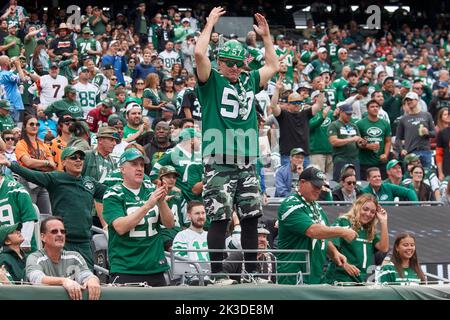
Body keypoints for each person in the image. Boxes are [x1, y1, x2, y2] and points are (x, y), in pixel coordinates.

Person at [194, 7, 279, 284]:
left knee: (252, 217)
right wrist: (209, 24)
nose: (233, 67)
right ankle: (217, 274)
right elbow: (198, 54)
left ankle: (252, 274)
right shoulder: (210, 81)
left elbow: (273, 67)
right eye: (228, 62)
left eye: (237, 63)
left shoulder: (248, 80)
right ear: (219, 62)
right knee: (219, 219)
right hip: (218, 160)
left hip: (246, 162)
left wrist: (266, 38)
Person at [0, 147, 107, 269]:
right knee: (62, 278)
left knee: (87, 278)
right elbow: (31, 175)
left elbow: (110, 193)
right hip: (62, 240)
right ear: (64, 162)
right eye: (73, 157)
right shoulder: (56, 178)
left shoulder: (90, 183)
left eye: (81, 157)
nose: (78, 160)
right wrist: (10, 164)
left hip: (84, 242)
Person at [102, 148, 174, 286]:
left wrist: (161, 202)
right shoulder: (113, 194)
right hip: (126, 268)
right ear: (122, 169)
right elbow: (120, 227)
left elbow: (170, 224)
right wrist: (148, 205)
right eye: (134, 164)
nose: (139, 168)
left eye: (142, 164)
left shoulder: (151, 190)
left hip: (155, 267)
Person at [277, 167, 358, 285]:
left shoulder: (317, 207)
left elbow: (323, 236)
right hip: (294, 277)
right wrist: (343, 231)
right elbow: (313, 231)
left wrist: (334, 253)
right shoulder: (290, 205)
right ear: (302, 183)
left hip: (315, 276)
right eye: (315, 186)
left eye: (320, 187)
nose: (318, 190)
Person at [26, 216, 101, 300]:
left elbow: (87, 275)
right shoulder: (34, 258)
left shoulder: (75, 256)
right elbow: (36, 279)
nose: (59, 234)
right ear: (43, 237)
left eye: (63, 231)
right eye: (54, 231)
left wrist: (93, 280)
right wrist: (64, 281)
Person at [325, 194, 389, 284]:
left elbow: (384, 248)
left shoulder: (369, 230)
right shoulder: (344, 222)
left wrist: (383, 221)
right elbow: (328, 242)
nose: (368, 214)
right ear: (357, 207)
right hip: (341, 279)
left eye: (372, 212)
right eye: (365, 209)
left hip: (362, 280)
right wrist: (344, 265)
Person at [271, 77, 323, 168]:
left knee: (305, 181)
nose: (297, 105)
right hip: (288, 155)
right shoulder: (283, 115)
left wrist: (321, 91)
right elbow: (273, 106)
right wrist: (277, 89)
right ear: (288, 105)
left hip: (304, 156)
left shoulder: (305, 114)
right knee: (288, 180)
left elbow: (319, 105)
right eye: (294, 103)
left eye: (299, 102)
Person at [15, 115, 55, 215]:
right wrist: (45, 163)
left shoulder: (43, 145)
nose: (35, 126)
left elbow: (53, 165)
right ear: (24, 126)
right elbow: (28, 162)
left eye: (37, 124)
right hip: (26, 180)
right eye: (31, 124)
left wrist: (35, 163)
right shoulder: (21, 144)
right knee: (30, 214)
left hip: (42, 181)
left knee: (46, 215)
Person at [172, 201, 210, 285]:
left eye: (203, 213)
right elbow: (180, 263)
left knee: (236, 255)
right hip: (194, 277)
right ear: (189, 216)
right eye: (197, 213)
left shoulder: (211, 236)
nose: (201, 216)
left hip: (212, 275)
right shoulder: (182, 235)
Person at [396, 92, 435, 168]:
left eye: (411, 99)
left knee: (426, 175)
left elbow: (434, 133)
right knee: (410, 176)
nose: (408, 102)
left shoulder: (427, 115)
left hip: (425, 151)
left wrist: (427, 132)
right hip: (410, 152)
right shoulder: (403, 119)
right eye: (407, 100)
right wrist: (401, 149)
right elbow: (398, 138)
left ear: (417, 100)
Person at [356, 99, 392, 180]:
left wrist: (386, 154)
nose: (375, 108)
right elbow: (357, 143)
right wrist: (367, 146)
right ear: (367, 109)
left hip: (380, 162)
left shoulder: (385, 123)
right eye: (372, 107)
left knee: (381, 184)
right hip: (365, 162)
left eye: (377, 107)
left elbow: (388, 141)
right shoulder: (360, 124)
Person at [328, 104, 365, 181]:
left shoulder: (354, 126)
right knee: (340, 182)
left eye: (351, 114)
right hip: (341, 158)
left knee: (356, 182)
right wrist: (351, 139)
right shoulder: (334, 125)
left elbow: (358, 143)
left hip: (354, 159)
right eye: (347, 114)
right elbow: (334, 142)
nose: (349, 116)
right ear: (341, 112)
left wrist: (362, 143)